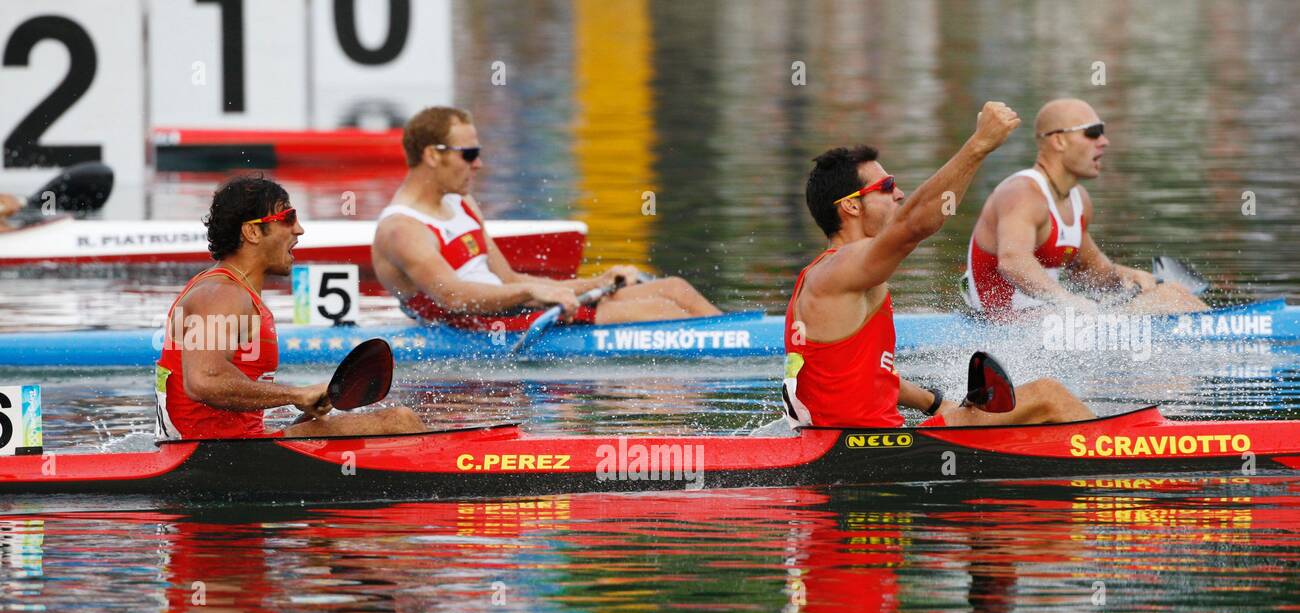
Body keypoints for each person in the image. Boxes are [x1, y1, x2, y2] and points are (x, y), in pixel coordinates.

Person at [782, 101, 1093, 430]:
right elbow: (914, 225)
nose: (899, 194)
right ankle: (1131, 450)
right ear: (851, 207)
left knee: (1032, 410)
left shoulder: (824, 275)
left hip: (848, 444)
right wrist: (978, 145)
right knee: (1049, 395)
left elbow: (870, 376)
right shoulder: (842, 268)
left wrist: (936, 403)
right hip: (869, 451)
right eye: (886, 188)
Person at [372, 106, 720, 330]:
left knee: (675, 289)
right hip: (476, 326)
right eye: (470, 154)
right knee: (659, 311)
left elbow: (507, 279)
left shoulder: (463, 204)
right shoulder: (402, 230)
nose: (478, 164)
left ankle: (758, 347)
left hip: (515, 309)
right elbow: (455, 298)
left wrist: (597, 281)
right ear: (433, 155)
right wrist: (530, 291)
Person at [156, 175, 423, 440]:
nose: (299, 229)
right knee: (401, 421)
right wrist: (296, 394)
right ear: (252, 232)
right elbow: (204, 381)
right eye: (287, 218)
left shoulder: (230, 291)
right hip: (210, 457)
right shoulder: (220, 294)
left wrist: (307, 406)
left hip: (233, 448)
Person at [961, 98, 1207, 319]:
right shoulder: (1022, 193)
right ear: (1058, 140)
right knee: (1161, 305)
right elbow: (1013, 262)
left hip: (1046, 320)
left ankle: (1221, 325)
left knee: (1170, 293)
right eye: (1093, 133)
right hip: (1000, 326)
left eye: (1103, 133)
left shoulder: (1079, 200)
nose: (1104, 142)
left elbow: (1089, 270)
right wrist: (1066, 301)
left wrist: (1131, 277)